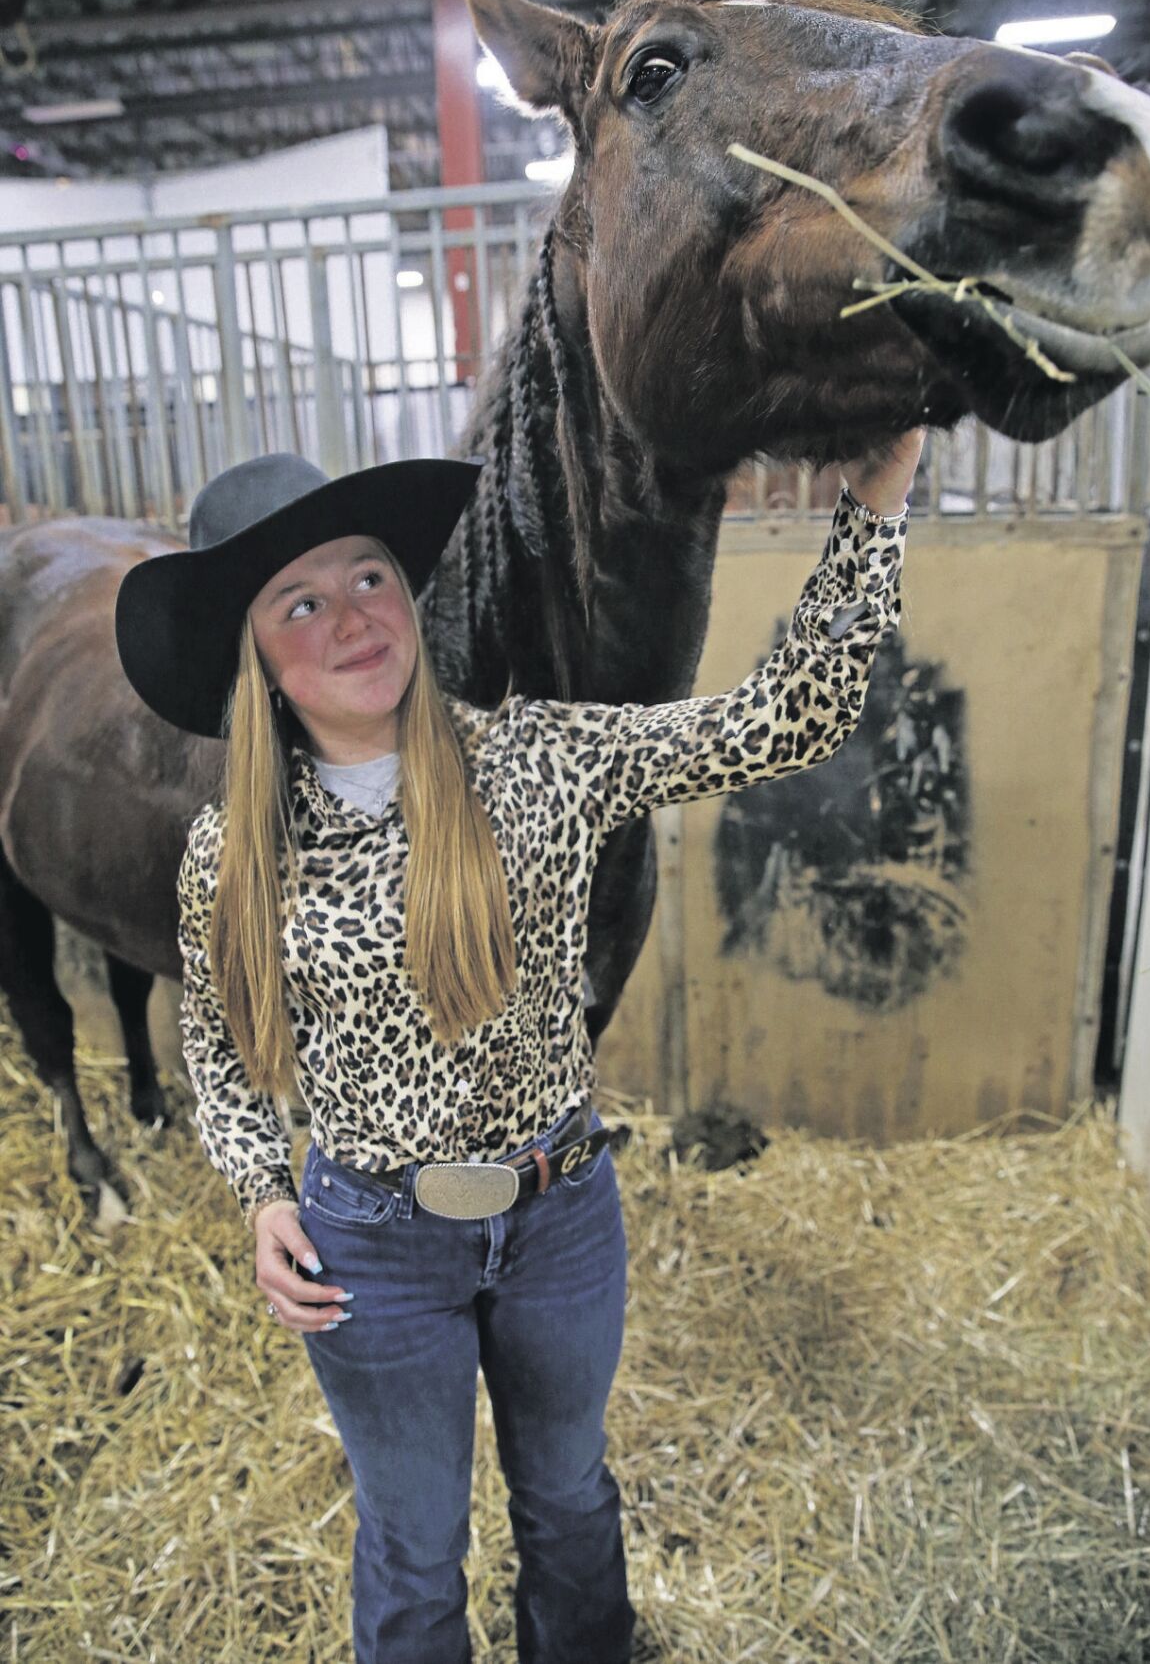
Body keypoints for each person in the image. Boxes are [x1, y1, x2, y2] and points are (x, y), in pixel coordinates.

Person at [114, 433, 922, 1664]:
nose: (350, 616)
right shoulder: (234, 849)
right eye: (301, 600)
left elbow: (789, 719)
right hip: (370, 1247)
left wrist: (875, 496)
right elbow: (219, 1045)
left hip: (558, 1213)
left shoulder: (537, 756)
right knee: (413, 1539)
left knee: (567, 1497)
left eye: (369, 576)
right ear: (259, 661)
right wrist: (260, 1187)